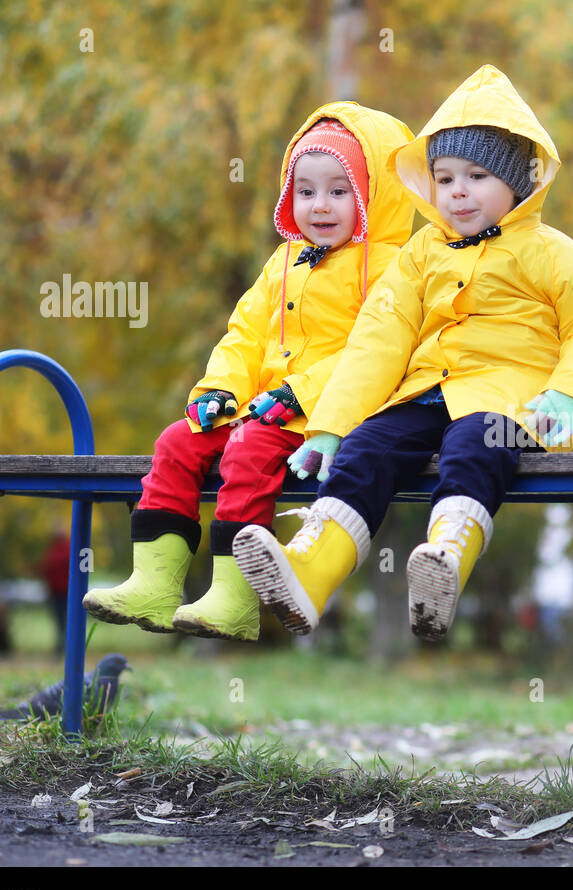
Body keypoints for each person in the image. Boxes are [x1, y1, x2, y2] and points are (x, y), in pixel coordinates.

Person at [233, 65, 573, 641]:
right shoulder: (422, 252)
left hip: (507, 397)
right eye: (445, 178)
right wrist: (328, 428)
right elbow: (379, 339)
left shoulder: (548, 251)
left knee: (474, 446)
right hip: (425, 392)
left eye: (477, 176)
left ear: (519, 183)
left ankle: (445, 559)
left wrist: (571, 394)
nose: (458, 192)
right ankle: (310, 572)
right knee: (368, 447)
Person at [82, 103, 414, 642]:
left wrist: (297, 394)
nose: (320, 206)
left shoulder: (391, 268)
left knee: (247, 453)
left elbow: (374, 352)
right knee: (177, 442)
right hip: (261, 405)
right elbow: (244, 335)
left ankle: (233, 598)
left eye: (339, 190)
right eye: (305, 192)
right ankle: (154, 582)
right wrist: (219, 390)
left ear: (373, 196)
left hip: (328, 413)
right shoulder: (282, 263)